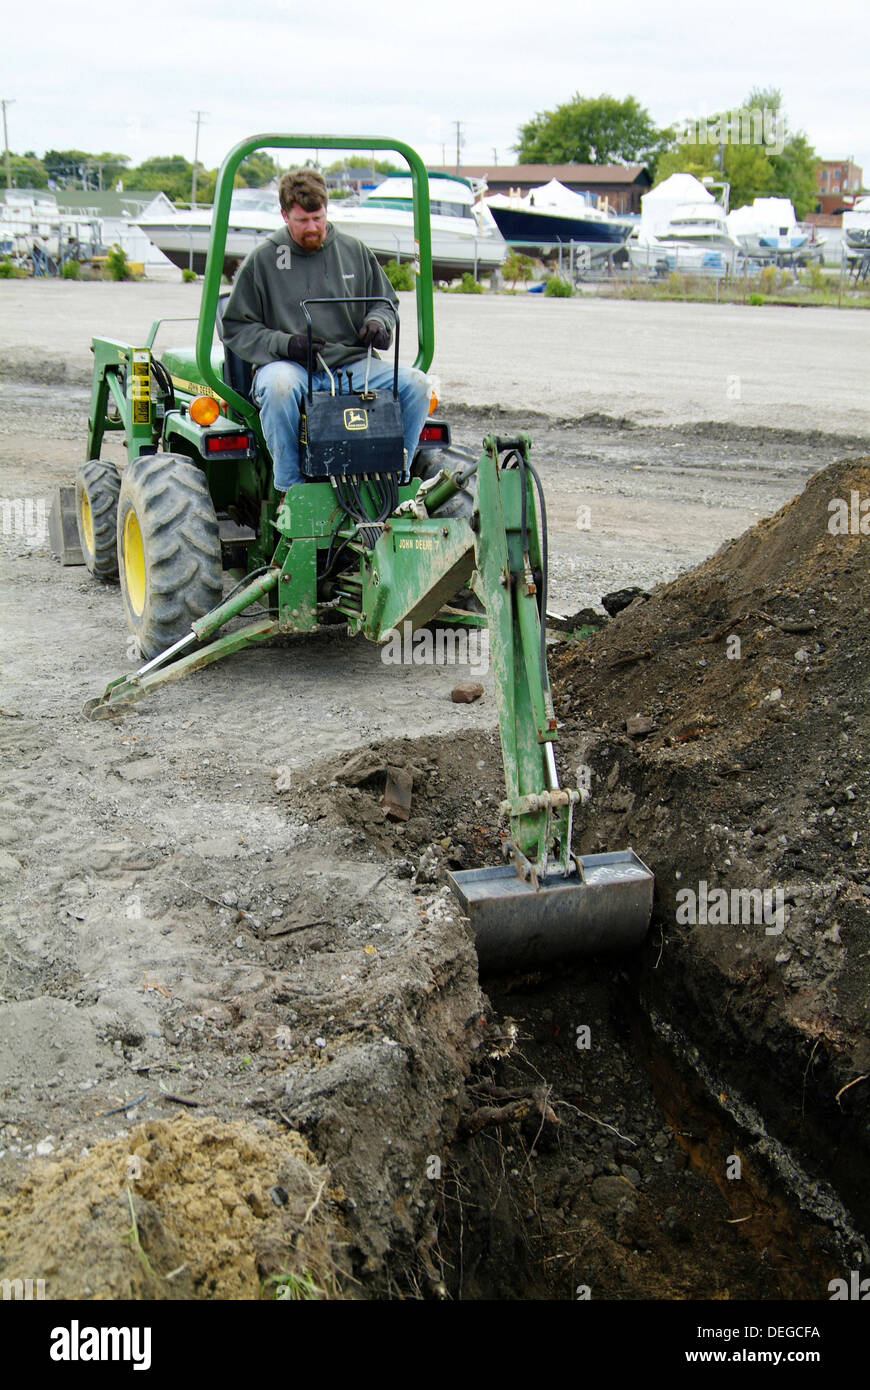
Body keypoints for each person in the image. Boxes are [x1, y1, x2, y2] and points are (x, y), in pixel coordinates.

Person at [220, 168, 431, 491]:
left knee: (416, 384)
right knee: (279, 388)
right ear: (284, 215)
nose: (312, 228)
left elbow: (385, 302)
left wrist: (377, 322)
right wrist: (286, 344)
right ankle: (291, 489)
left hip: (353, 365)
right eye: (303, 221)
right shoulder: (263, 260)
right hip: (291, 366)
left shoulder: (353, 251)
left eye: (318, 218)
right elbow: (237, 327)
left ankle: (396, 478)